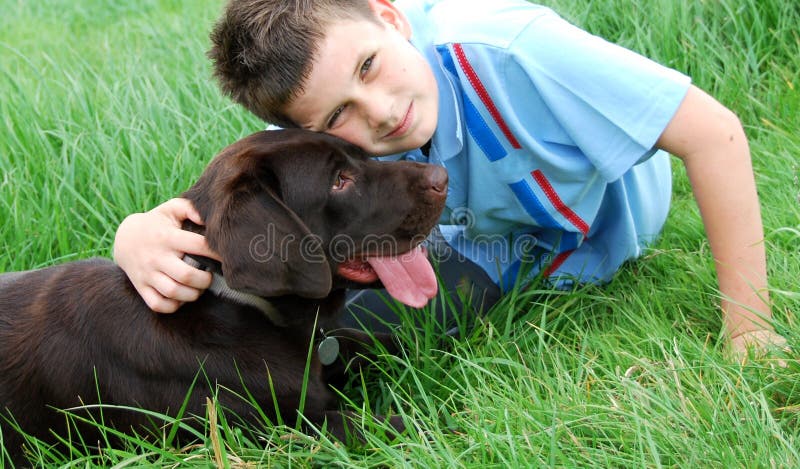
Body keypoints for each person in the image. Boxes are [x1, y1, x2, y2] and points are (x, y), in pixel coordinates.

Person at [113, 0, 787, 357]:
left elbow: (715, 132)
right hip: (485, 240)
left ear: (390, 15)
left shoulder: (512, 48)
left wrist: (750, 329)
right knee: (349, 336)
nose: (379, 112)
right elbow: (241, 194)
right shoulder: (321, 142)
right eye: (339, 113)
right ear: (308, 134)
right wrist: (135, 234)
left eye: (371, 67)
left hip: (607, 219)